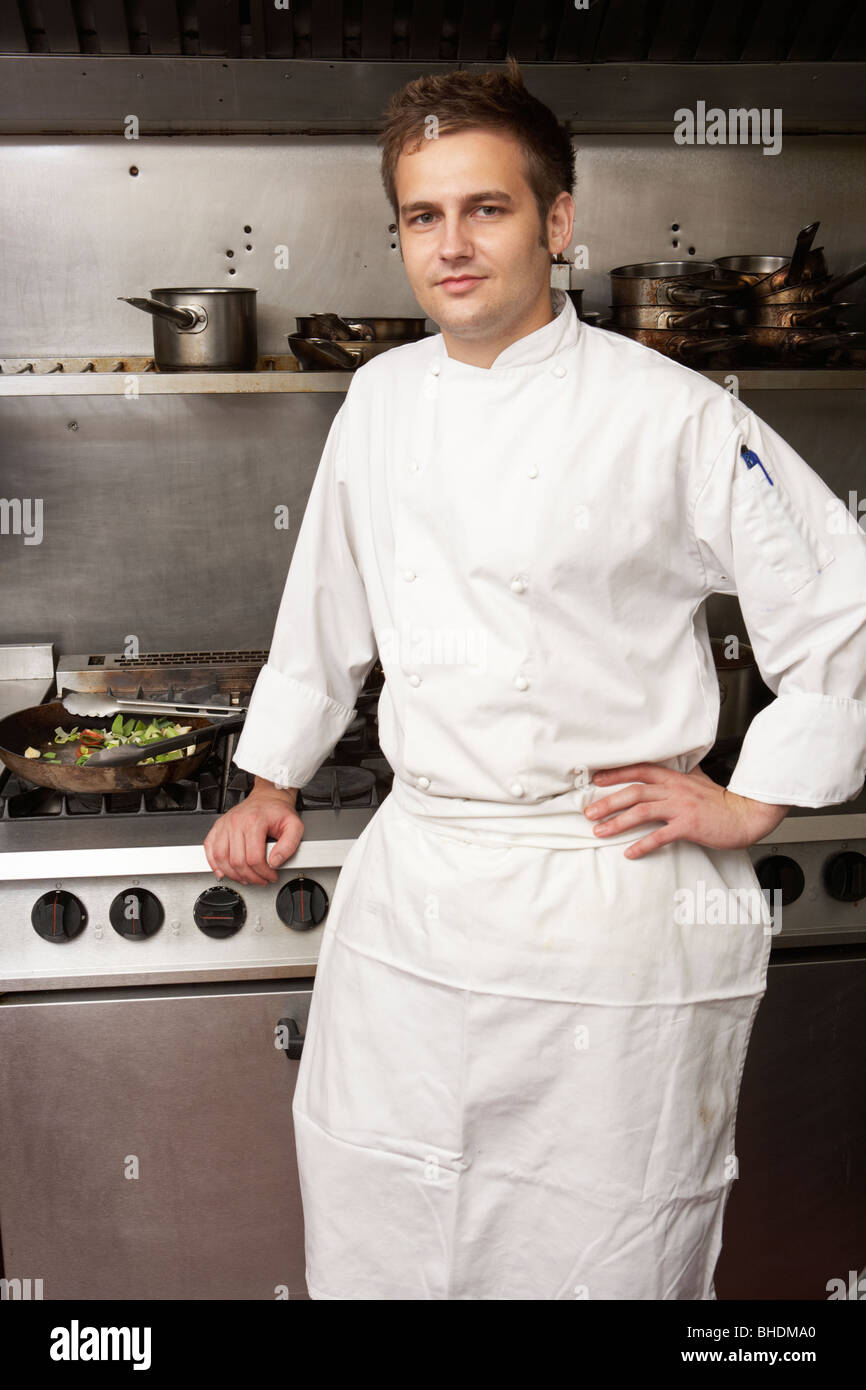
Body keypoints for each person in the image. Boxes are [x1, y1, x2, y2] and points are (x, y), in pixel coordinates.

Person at [203, 58, 866, 1299]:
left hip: (603, 898)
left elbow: (839, 588)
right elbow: (327, 605)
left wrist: (755, 794)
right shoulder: (380, 399)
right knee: (386, 1217)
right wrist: (268, 776)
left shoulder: (668, 412)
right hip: (421, 896)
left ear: (558, 221)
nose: (451, 246)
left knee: (598, 1245)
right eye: (421, 215)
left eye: (486, 208)